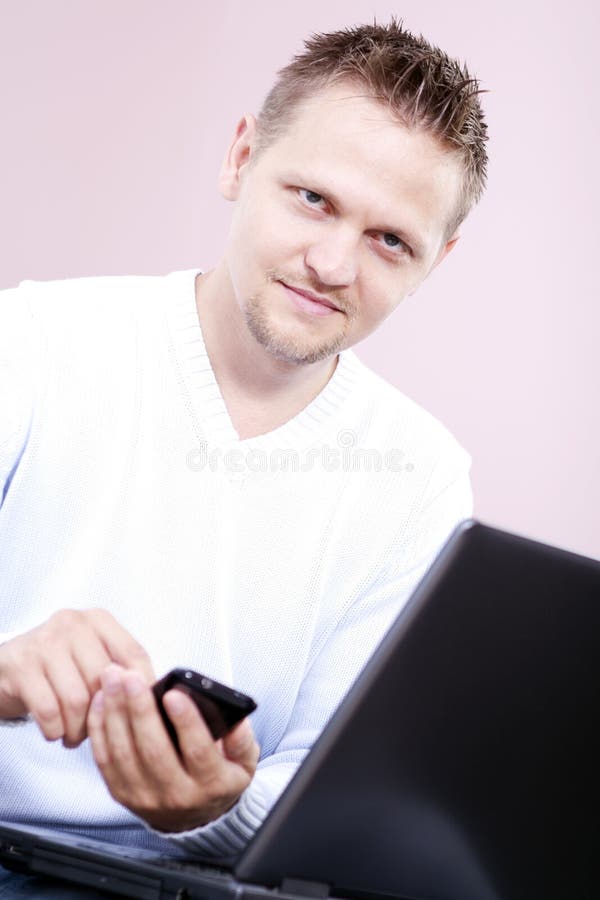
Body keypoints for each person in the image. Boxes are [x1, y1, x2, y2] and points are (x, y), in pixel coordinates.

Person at [0, 18, 488, 866]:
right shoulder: (33, 342)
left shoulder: (425, 479)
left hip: (212, 881)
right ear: (240, 159)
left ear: (435, 264)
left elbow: (336, 793)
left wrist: (212, 811)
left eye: (390, 240)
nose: (333, 264)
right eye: (313, 199)